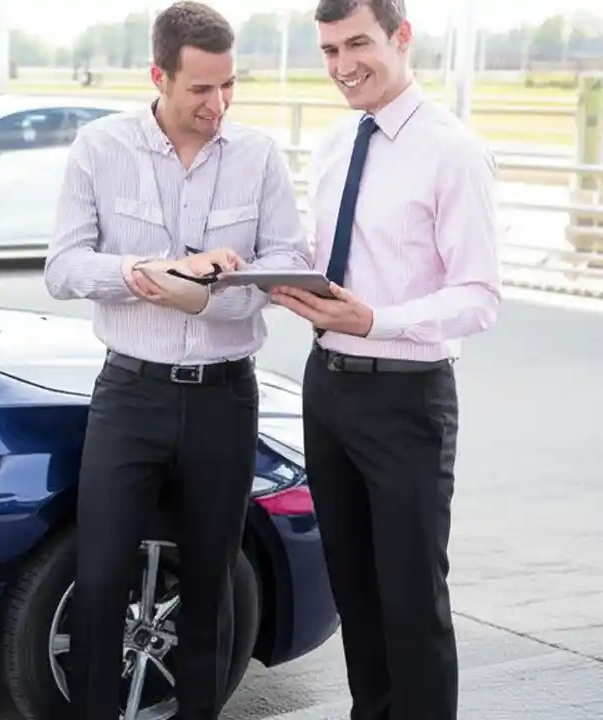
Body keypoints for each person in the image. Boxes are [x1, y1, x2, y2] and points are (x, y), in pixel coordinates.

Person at [43, 2, 311, 718]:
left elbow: (289, 260)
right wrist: (154, 272)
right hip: (129, 396)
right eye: (200, 89)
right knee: (99, 579)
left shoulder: (257, 155)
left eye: (229, 87)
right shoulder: (100, 147)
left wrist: (211, 296)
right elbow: (63, 267)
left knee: (213, 585)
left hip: (225, 398)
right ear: (158, 75)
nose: (217, 105)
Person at [270, 1, 502, 718]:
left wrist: (376, 319)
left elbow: (479, 296)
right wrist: (272, 275)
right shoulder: (337, 143)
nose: (344, 67)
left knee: (410, 599)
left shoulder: (452, 149)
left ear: (402, 38)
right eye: (330, 51)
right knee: (356, 594)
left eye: (359, 44)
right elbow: (333, 256)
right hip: (327, 388)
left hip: (407, 398)